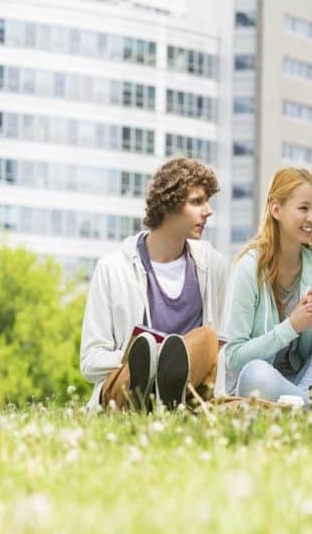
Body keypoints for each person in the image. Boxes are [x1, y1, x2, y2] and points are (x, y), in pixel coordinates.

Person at [80, 157, 228, 411]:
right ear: (168, 206)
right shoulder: (112, 268)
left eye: (207, 201)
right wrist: (145, 357)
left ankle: (169, 398)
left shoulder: (213, 265)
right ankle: (153, 394)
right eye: (196, 202)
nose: (208, 211)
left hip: (192, 389)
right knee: (141, 361)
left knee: (206, 338)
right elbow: (90, 361)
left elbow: (223, 347)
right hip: (127, 388)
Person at [222, 167, 312, 402]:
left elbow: (308, 356)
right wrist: (291, 326)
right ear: (276, 210)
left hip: (300, 382)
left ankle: (303, 402)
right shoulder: (248, 268)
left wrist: (311, 321)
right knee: (257, 372)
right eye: (303, 208)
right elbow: (234, 357)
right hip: (259, 385)